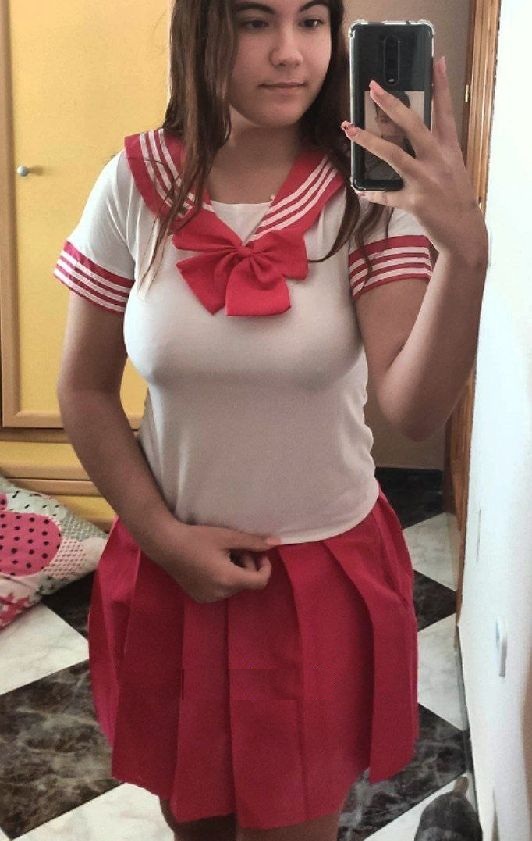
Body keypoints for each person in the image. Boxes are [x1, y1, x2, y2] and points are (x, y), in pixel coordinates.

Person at [54, 2, 488, 840]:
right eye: (255, 22)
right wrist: (163, 538)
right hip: (171, 568)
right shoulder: (134, 181)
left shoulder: (368, 191)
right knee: (194, 822)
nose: (291, 54)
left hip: (319, 580)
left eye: (312, 21)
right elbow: (84, 388)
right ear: (201, 29)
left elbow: (414, 406)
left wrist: (464, 253)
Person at [365, 90, 415, 180]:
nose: (393, 128)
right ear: (377, 122)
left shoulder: (420, 152)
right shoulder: (365, 158)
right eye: (385, 121)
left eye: (399, 118)